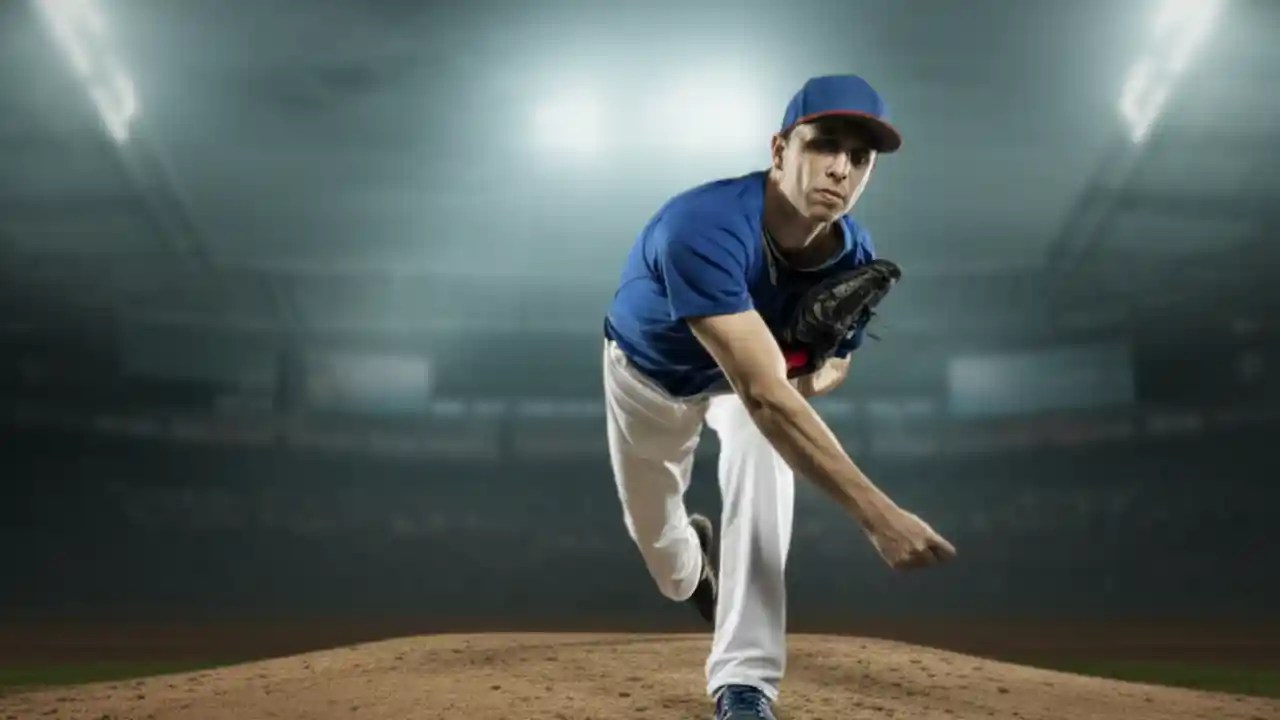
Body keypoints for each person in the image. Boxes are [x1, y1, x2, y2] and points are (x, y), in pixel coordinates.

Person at [600, 74, 956, 720]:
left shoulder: (853, 252)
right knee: (662, 555)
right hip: (647, 378)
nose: (841, 168)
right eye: (824, 144)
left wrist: (807, 363)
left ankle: (745, 683)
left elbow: (820, 377)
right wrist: (878, 514)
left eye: (860, 156)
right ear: (779, 150)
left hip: (741, 380)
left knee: (770, 452)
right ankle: (693, 565)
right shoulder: (702, 226)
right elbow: (766, 393)